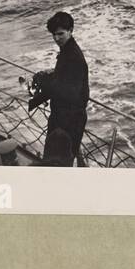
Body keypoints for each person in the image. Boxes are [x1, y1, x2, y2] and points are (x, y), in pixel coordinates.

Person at [31, 11, 90, 166]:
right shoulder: (67, 50)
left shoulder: (74, 57)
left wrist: (45, 82)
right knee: (61, 158)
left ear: (71, 30)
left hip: (69, 120)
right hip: (64, 116)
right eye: (54, 35)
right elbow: (64, 78)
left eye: (60, 34)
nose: (56, 39)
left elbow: (71, 93)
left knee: (59, 161)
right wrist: (50, 75)